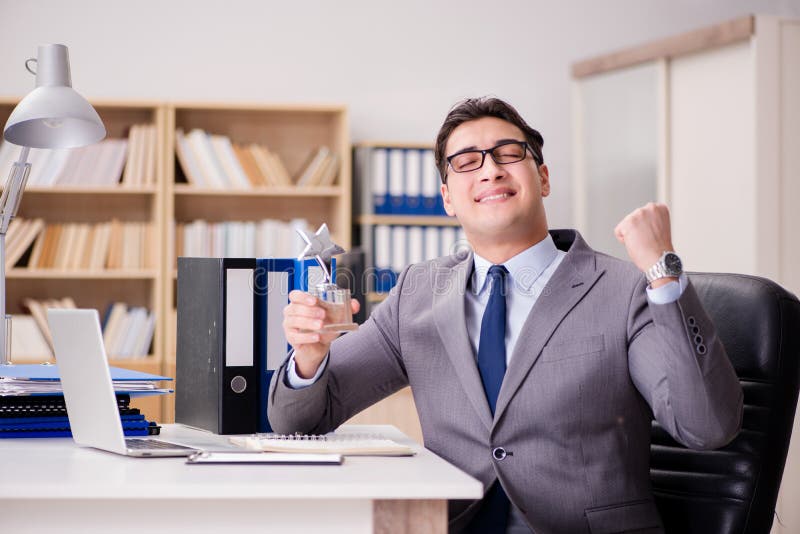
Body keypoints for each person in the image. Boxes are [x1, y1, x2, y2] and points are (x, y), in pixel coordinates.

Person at [269, 97, 743, 533]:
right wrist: (309, 357)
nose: (490, 170)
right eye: (467, 161)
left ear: (544, 178)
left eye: (509, 153)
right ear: (448, 198)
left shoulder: (623, 289)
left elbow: (705, 425)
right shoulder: (417, 292)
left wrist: (664, 272)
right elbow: (298, 422)